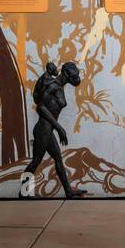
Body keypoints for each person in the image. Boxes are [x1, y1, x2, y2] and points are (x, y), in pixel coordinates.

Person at [22, 61, 84, 199]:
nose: (77, 78)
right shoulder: (53, 86)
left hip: (48, 130)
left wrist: (55, 128)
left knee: (58, 160)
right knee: (36, 160)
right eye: (75, 75)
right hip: (43, 129)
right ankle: (24, 192)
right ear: (67, 74)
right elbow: (41, 107)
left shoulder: (59, 86)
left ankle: (68, 192)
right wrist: (59, 127)